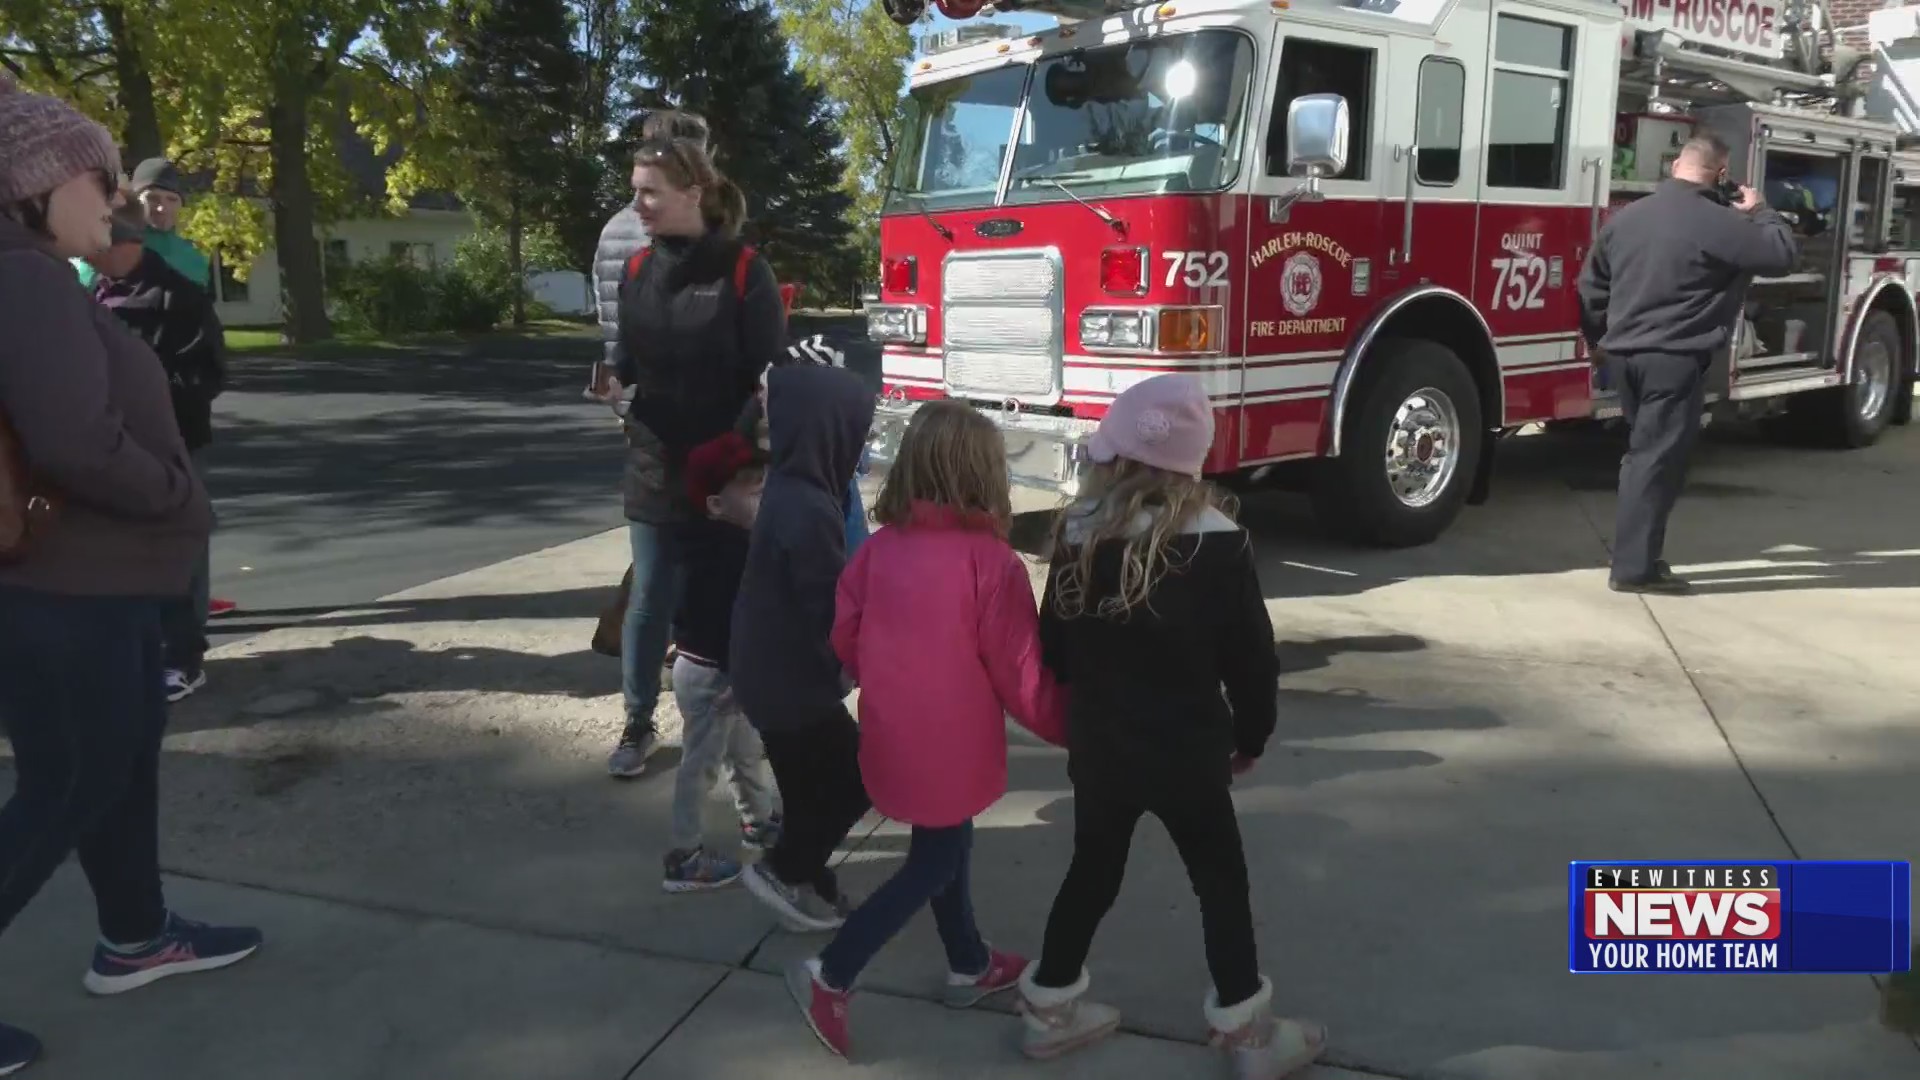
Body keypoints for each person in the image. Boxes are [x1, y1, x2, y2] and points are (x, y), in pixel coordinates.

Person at [0, 73, 261, 1077]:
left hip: (86, 585)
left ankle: (137, 933)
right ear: (30, 183)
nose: (107, 196)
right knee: (71, 778)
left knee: (117, 760)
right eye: (92, 178)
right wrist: (169, 492)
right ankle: (137, 932)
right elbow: (74, 438)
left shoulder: (35, 270)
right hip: (65, 587)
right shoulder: (23, 277)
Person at [1016, 374, 1322, 1079]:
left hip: (1101, 749)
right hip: (1188, 752)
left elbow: (1054, 650)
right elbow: (1252, 661)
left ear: (1112, 456)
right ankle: (1247, 1031)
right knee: (1219, 879)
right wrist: (1252, 736)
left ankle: (1050, 1008)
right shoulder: (1220, 543)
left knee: (1092, 871)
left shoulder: (1077, 536)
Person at [785, 400, 1066, 1058]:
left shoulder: (881, 550)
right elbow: (1022, 676)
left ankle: (968, 961)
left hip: (890, 729)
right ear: (985, 475)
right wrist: (1077, 727)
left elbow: (844, 633)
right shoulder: (992, 564)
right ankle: (832, 973)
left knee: (947, 845)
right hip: (954, 744)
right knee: (936, 859)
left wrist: (886, 675)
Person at [589, 133, 778, 779]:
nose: (637, 205)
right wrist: (612, 379)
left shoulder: (746, 271)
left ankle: (737, 725)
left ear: (693, 193)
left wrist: (739, 449)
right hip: (652, 458)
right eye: (635, 191)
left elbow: (769, 374)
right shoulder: (637, 270)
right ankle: (637, 722)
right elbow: (627, 357)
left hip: (724, 464)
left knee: (728, 595)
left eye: (650, 193)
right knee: (651, 596)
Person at [1577, 132, 1797, 596]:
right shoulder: (1717, 221)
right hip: (1673, 358)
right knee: (1655, 460)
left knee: (1645, 453)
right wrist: (1761, 211)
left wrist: (1599, 340)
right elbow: (1781, 255)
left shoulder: (1625, 218)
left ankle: (1639, 557)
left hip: (1624, 357)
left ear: (1677, 165)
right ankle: (1635, 568)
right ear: (1721, 175)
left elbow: (1591, 288)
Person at [732, 362, 875, 933]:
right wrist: (869, 659)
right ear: (828, 432)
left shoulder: (791, 488)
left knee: (806, 788)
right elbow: (830, 610)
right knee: (861, 780)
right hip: (793, 683)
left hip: (768, 675)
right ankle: (785, 867)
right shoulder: (809, 507)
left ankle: (808, 877)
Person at [85, 202, 228, 703]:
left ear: (125, 244)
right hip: (113, 446)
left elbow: (206, 376)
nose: (90, 253)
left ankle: (182, 658)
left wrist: (142, 399)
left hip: (173, 445)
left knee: (176, 552)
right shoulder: (93, 294)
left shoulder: (177, 297)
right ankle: (138, 651)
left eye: (98, 243)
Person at [661, 431, 781, 892]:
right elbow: (724, 622)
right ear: (715, 504)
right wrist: (741, 676)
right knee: (702, 764)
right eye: (754, 493)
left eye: (766, 488)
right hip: (716, 674)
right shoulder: (723, 555)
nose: (765, 499)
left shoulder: (719, 544)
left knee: (745, 751)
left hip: (724, 671)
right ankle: (684, 855)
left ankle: (758, 821)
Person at [73, 158, 213, 295]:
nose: (161, 208)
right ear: (135, 200)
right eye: (152, 198)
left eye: (172, 199)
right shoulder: (111, 245)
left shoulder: (195, 257)